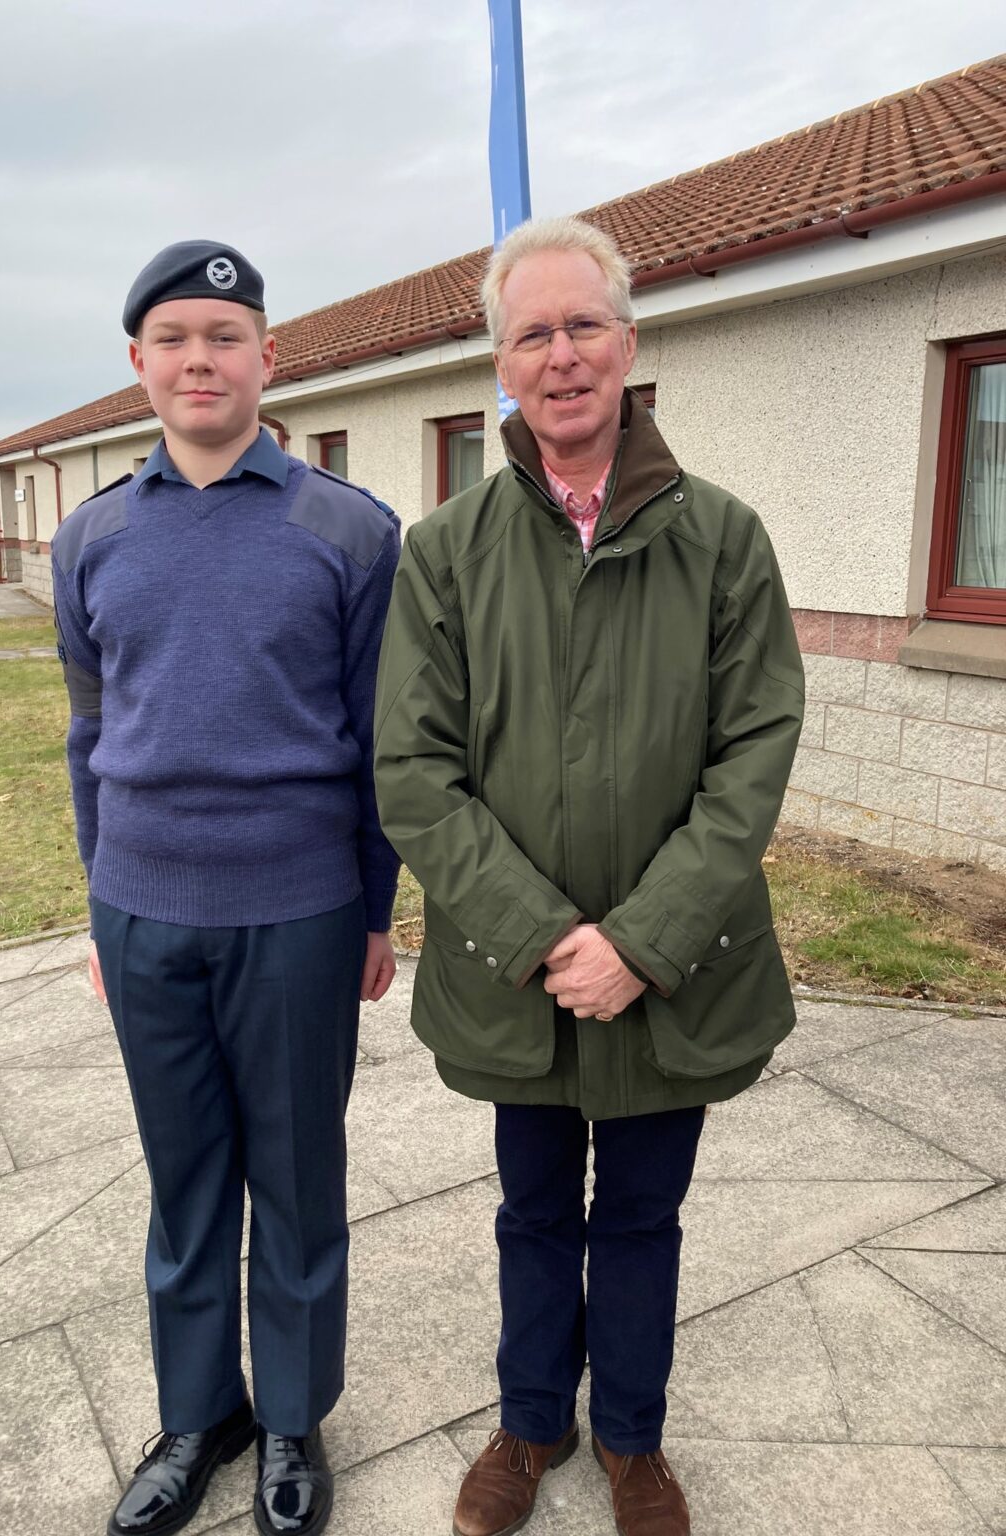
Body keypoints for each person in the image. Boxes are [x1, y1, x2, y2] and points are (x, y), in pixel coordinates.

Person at [373, 216, 804, 1536]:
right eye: (531, 334)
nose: (561, 355)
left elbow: (754, 751)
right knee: (532, 1209)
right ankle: (528, 1421)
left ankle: (631, 1439)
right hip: (517, 978)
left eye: (583, 326)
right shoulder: (445, 553)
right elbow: (413, 766)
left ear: (629, 340)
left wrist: (643, 939)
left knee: (645, 1220)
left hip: (674, 977)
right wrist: (546, 936)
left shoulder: (724, 542)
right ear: (500, 363)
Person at [52, 240, 401, 1536]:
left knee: (299, 1178)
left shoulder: (352, 531)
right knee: (185, 1176)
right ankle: (204, 1414)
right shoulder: (91, 537)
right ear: (139, 364)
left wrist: (375, 909)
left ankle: (297, 1415)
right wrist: (102, 903)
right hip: (144, 913)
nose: (201, 359)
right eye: (175, 338)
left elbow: (379, 742)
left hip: (300, 912)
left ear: (271, 355)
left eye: (227, 335)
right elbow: (90, 735)